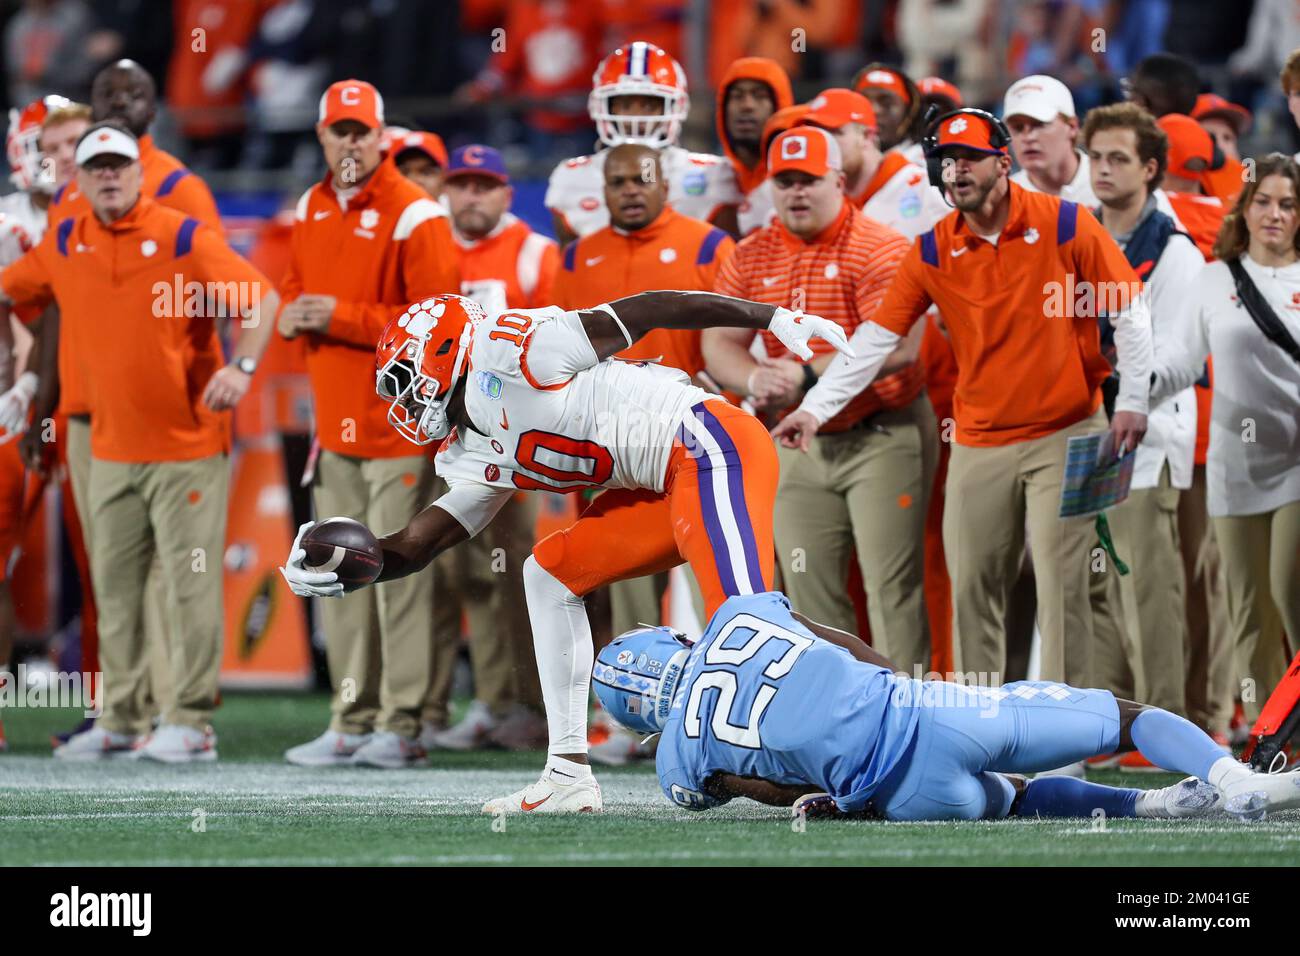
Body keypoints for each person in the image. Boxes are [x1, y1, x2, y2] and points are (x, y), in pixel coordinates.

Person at [280, 291, 852, 813]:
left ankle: (877, 719)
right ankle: (567, 772)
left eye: (408, 375)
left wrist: (771, 316)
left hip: (709, 445)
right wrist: (350, 569)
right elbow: (418, 544)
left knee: (748, 631)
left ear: (445, 352)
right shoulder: (465, 450)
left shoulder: (515, 350)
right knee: (548, 576)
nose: (404, 396)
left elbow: (654, 307)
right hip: (659, 484)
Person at [773, 111, 1153, 748]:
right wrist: (816, 405)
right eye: (948, 160)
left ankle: (1067, 744)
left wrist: (1132, 400)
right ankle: (980, 736)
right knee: (974, 583)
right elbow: (875, 340)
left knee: (1064, 587)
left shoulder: (1067, 223)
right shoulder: (931, 248)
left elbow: (1130, 309)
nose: (957, 171)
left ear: (1004, 163)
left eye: (969, 158)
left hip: (1072, 428)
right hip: (979, 438)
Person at [0, 121, 280, 761]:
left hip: (186, 447)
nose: (106, 175)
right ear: (83, 176)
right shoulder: (67, 239)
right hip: (108, 448)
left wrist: (240, 370)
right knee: (116, 589)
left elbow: (259, 301)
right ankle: (122, 718)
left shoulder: (180, 234)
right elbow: (11, 286)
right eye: (95, 166)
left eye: (117, 166)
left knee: (188, 585)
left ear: (136, 171)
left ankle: (190, 721)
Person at [591, 590, 1300, 822]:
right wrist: (893, 690)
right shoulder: (740, 612)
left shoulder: (678, 767)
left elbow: (773, 788)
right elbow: (841, 644)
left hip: (905, 795)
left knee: (1012, 803)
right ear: (672, 638)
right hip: (925, 712)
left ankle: (1145, 808)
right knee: (1122, 716)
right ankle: (1239, 781)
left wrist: (841, 794)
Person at [278, 79, 460, 770]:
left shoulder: (417, 214)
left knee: (397, 578)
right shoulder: (310, 205)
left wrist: (338, 316)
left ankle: (404, 722)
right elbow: (296, 286)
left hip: (400, 432)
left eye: (361, 132)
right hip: (336, 429)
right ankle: (352, 718)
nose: (350, 143)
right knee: (333, 575)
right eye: (339, 131)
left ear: (381, 137)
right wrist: (296, 307)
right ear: (322, 136)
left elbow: (442, 322)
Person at [705, 125, 933, 673]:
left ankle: (913, 719)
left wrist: (804, 374)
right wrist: (758, 381)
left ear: (838, 181)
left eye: (809, 180)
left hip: (881, 430)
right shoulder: (751, 253)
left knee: (891, 585)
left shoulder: (880, 245)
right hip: (794, 438)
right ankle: (839, 722)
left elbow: (901, 348)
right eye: (785, 182)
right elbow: (717, 342)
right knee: (810, 593)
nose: (796, 193)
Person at [551, 142, 735, 762]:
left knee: (708, 577)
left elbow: (732, 333)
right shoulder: (577, 256)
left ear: (666, 184)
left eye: (642, 179)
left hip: (689, 437)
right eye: (619, 180)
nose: (631, 190)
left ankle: (720, 711)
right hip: (609, 445)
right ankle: (641, 717)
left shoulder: (708, 244)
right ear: (600, 190)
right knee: (625, 583)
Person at [1151, 153, 1300, 728]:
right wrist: (1133, 390)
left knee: (1292, 593)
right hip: (1234, 468)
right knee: (1249, 613)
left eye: (1288, 204)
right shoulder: (1215, 279)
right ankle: (1268, 738)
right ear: (1245, 207)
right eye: (1263, 201)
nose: (1274, 214)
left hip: (1297, 463)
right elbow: (1181, 362)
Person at [423, 144, 556, 752]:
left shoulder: (534, 254)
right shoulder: (431, 247)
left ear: (507, 193)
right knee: (456, 570)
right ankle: (487, 700)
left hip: (514, 438)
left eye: (485, 186)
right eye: (462, 185)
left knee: (518, 570)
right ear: (447, 191)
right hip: (447, 434)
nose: (472, 196)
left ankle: (531, 705)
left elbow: (562, 341)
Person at [1082, 103, 1204, 767]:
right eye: (1096, 157)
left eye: (1119, 158)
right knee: (1093, 586)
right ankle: (1110, 726)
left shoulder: (1175, 250)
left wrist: (1116, 388)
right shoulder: (1084, 233)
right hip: (1085, 434)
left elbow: (1187, 357)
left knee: (1148, 587)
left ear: (1152, 168)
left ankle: (1168, 731)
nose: (1103, 169)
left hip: (1147, 436)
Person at [546, 42, 740, 246]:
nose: (636, 117)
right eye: (625, 105)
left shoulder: (714, 175)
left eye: (648, 105)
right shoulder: (572, 178)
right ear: (601, 106)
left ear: (676, 106)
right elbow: (572, 267)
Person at [714, 57, 793, 237]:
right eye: (737, 96)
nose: (747, 106)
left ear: (780, 105)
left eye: (759, 96)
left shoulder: (801, 182)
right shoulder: (709, 179)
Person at [1005, 75, 1097, 206]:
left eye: (1039, 124)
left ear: (1072, 126)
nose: (1028, 137)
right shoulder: (1004, 199)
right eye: (1017, 128)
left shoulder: (1107, 182)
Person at [852, 64, 926, 164]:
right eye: (863, 102)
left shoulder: (922, 164)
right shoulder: (839, 162)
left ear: (908, 112)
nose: (874, 110)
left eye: (886, 103)